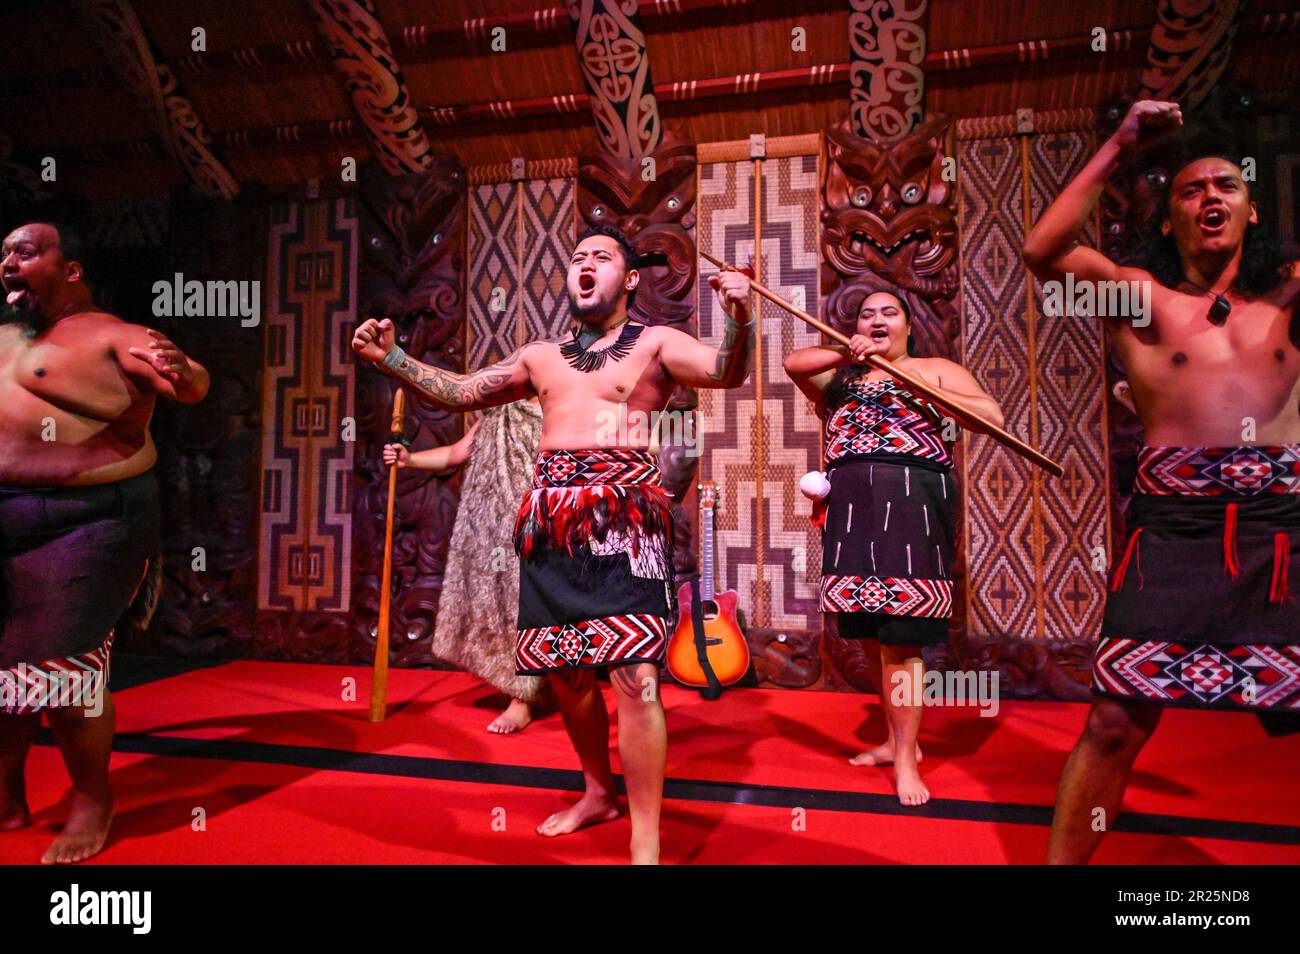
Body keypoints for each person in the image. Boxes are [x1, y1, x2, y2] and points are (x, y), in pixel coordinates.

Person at [354, 224, 754, 864]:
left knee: (636, 676)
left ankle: (644, 833)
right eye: (577, 257)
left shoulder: (656, 344)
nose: (585, 264)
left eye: (602, 256)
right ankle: (597, 790)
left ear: (628, 280)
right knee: (567, 676)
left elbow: (726, 370)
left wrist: (738, 314)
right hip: (551, 522)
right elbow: (462, 391)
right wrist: (393, 360)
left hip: (625, 520)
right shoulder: (539, 357)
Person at [1023, 99, 1300, 863]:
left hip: (1283, 535)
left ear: (1249, 208)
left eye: (1225, 186)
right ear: (1170, 216)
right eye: (1190, 190)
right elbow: (1043, 252)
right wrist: (1117, 143)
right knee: (1114, 723)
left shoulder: (1287, 298)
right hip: (1173, 535)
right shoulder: (1138, 298)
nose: (1210, 198)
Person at [0, 222, 210, 863]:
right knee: (7, 666)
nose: (9, 262)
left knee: (61, 669)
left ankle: (92, 798)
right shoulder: (5, 334)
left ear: (71, 269)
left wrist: (185, 370)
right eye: (3, 254)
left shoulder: (115, 334)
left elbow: (189, 382)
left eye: (26, 251)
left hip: (90, 521)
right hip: (5, 517)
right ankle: (6, 797)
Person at [785, 289, 1003, 805]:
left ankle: (907, 756)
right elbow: (795, 364)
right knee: (868, 631)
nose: (877, 320)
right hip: (852, 506)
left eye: (889, 312)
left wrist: (918, 381)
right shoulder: (840, 377)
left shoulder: (934, 369)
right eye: (867, 314)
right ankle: (890, 739)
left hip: (914, 501)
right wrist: (848, 351)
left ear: (907, 324)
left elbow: (989, 416)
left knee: (902, 635)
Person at [383, 397, 548, 733]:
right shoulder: (502, 411)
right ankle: (520, 690)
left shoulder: (561, 409)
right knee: (501, 610)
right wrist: (409, 458)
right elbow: (457, 453)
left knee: (528, 609)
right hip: (493, 526)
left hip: (540, 523)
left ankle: (524, 699)